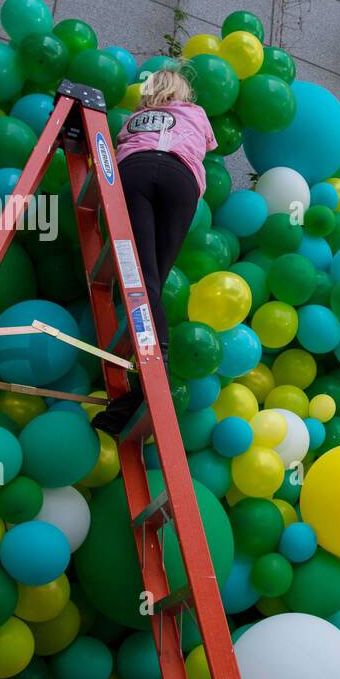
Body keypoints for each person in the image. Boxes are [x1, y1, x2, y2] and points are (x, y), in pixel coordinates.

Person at [91, 66, 216, 435]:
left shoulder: (132, 121)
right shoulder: (196, 114)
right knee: (154, 281)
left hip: (136, 171)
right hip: (181, 179)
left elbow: (122, 145)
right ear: (181, 92)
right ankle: (150, 371)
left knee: (142, 278)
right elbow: (207, 144)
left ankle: (151, 370)